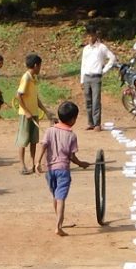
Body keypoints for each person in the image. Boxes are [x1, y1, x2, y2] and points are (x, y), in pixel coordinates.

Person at [41, 100, 90, 236]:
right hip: (63, 170)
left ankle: (59, 219)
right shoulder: (71, 135)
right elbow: (72, 157)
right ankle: (58, 226)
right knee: (61, 198)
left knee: (56, 196)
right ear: (73, 119)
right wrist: (82, 164)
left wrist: (38, 163)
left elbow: (44, 146)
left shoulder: (50, 130)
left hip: (49, 170)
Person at [15, 53, 51, 174]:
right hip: (26, 115)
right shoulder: (26, 78)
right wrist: (26, 111)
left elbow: (35, 98)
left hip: (34, 113)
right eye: (40, 66)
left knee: (34, 141)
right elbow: (18, 95)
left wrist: (45, 110)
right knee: (23, 140)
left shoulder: (33, 78)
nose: (40, 68)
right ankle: (22, 166)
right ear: (36, 65)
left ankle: (33, 164)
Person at [79, 30, 116, 130]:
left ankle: (97, 123)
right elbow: (83, 64)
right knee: (88, 101)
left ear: (96, 35)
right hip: (87, 76)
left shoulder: (101, 48)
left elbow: (112, 58)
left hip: (96, 77)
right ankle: (90, 122)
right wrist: (82, 80)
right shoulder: (86, 49)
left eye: (92, 35)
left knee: (96, 101)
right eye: (88, 36)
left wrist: (103, 70)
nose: (90, 38)